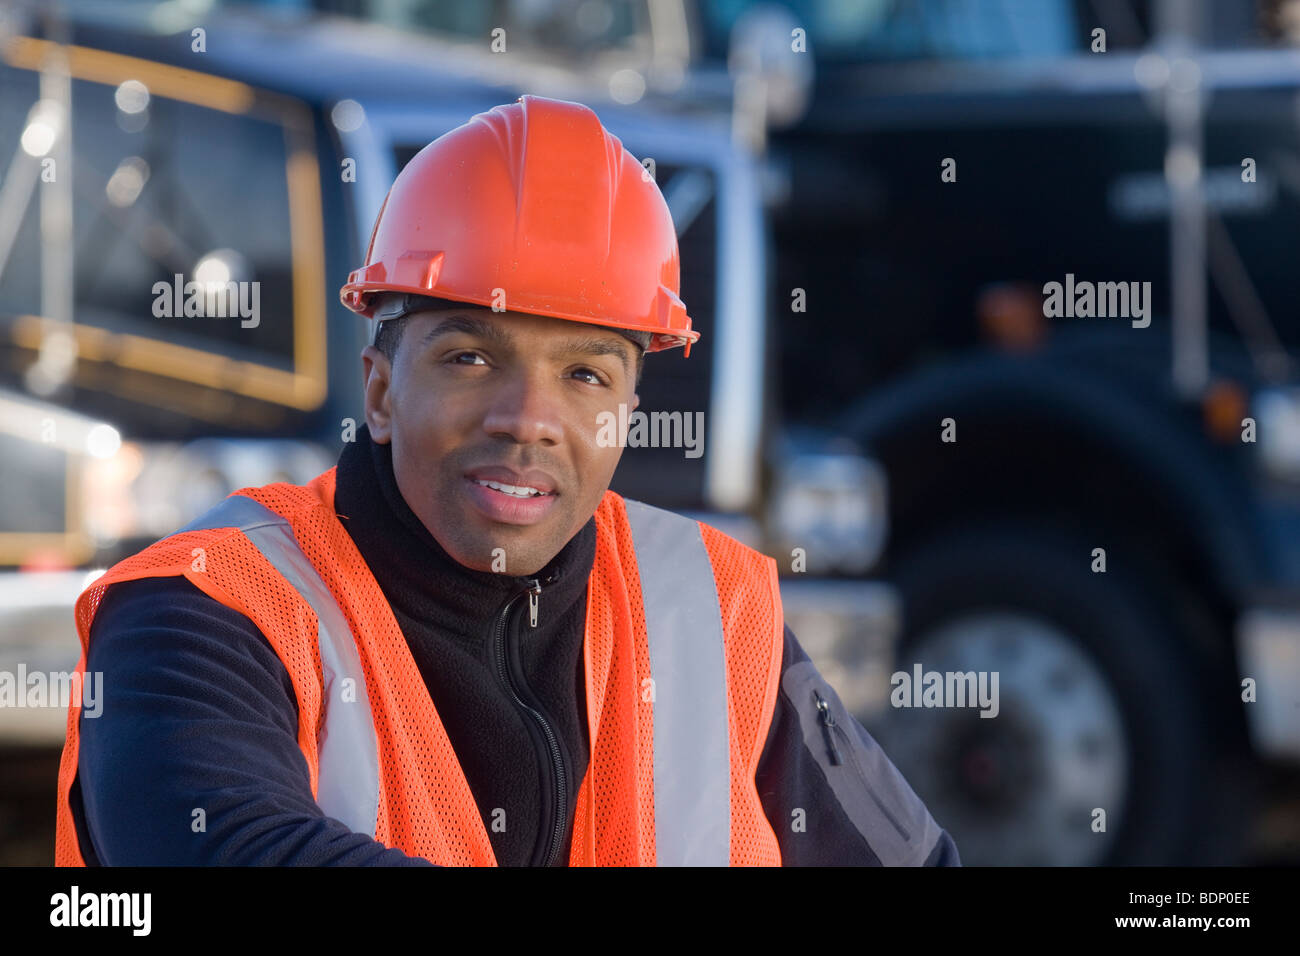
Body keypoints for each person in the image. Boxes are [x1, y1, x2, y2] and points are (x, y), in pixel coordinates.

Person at [55, 94, 959, 867]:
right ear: (378, 389)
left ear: (629, 411)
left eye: (585, 374)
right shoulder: (208, 606)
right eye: (470, 356)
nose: (528, 417)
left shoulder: (716, 613)